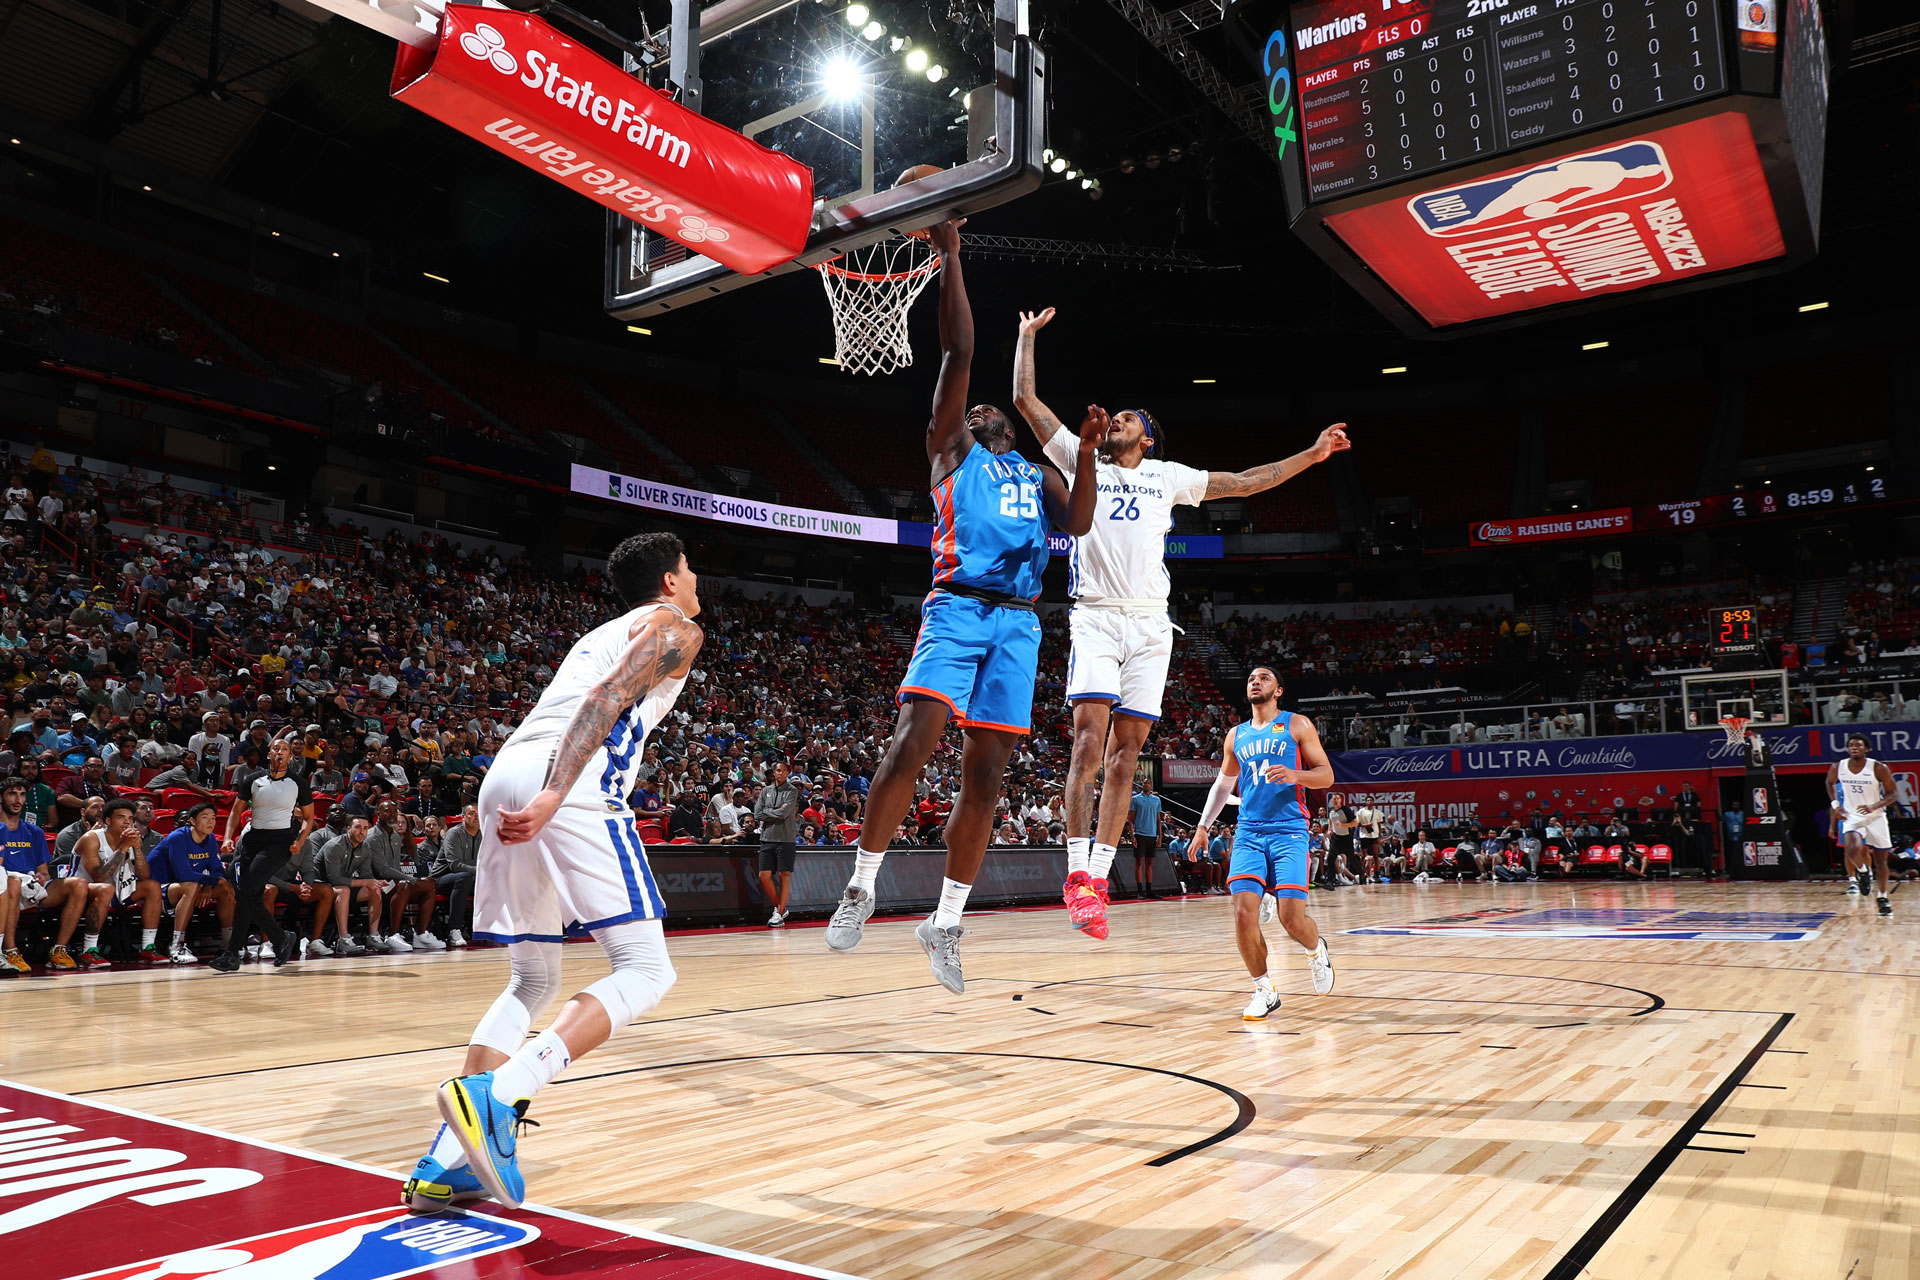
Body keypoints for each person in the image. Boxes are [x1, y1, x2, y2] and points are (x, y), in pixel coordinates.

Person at [820, 219, 1099, 994]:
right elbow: (957, 353)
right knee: (914, 740)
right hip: (957, 609)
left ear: (1005, 427)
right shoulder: (953, 453)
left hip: (1019, 623)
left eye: (985, 412)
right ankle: (861, 885)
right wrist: (950, 257)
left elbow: (1079, 525)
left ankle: (944, 923)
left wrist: (1089, 456)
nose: (976, 413)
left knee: (987, 779)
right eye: (969, 411)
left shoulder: (1039, 474)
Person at [1013, 305, 1350, 941]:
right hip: (1096, 617)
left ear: (1148, 438)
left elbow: (1246, 481)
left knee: (1126, 758)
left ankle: (1098, 883)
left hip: (1151, 627)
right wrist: (1027, 338)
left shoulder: (1167, 477)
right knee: (1087, 743)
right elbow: (1026, 401)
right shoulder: (1083, 459)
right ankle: (1075, 872)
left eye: (1129, 418)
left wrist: (1312, 454)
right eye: (1116, 416)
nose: (1117, 419)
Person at [409, 531, 704, 1216]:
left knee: (533, 978)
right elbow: (608, 696)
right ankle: (505, 1094)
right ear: (668, 581)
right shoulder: (676, 626)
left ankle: (448, 1163)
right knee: (646, 970)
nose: (697, 580)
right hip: (567, 780)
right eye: (690, 568)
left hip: (506, 773)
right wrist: (554, 793)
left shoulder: (601, 632)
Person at [1187, 668, 1336, 1021]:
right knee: (1242, 912)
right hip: (1249, 833)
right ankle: (1264, 990)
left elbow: (1326, 775)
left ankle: (1316, 949)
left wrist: (1296, 775)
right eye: (1252, 678)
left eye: (1265, 677)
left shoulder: (1297, 724)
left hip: (1289, 831)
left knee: (1291, 920)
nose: (1256, 681)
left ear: (1278, 690)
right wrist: (1203, 826)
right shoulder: (1235, 735)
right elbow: (1223, 786)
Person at [212, 738, 314, 971]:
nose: (280, 751)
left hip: (279, 844)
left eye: (285, 749)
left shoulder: (298, 783)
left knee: (246, 891)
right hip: (252, 841)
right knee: (249, 896)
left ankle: (233, 954)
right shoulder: (253, 779)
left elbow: (309, 818)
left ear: (290, 756)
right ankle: (280, 938)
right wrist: (227, 837)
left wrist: (300, 841)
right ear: (269, 754)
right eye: (276, 748)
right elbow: (235, 812)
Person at [73, 798, 167, 965]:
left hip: (115, 890)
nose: (127, 822)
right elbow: (99, 877)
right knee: (105, 888)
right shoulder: (92, 838)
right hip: (83, 892)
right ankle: (88, 950)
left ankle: (147, 947)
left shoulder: (130, 838)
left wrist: (136, 848)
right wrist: (123, 847)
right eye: (121, 817)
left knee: (152, 886)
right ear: (108, 821)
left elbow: (144, 876)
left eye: (130, 818)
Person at [145, 802, 233, 963]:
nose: (210, 822)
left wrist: (209, 885)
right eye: (205, 817)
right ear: (192, 821)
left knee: (225, 889)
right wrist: (216, 881)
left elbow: (217, 869)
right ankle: (176, 946)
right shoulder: (178, 838)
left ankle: (228, 945)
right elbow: (183, 874)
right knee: (193, 886)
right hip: (156, 890)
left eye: (213, 818)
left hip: (184, 887)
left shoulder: (210, 839)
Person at [1830, 732, 1897, 916]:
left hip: (1876, 816)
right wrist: (1836, 806)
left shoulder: (1878, 767)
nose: (1855, 748)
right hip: (1853, 815)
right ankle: (1862, 871)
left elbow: (1893, 794)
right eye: (1851, 745)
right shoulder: (1838, 766)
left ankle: (1882, 898)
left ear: (1866, 749)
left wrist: (1874, 806)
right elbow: (1829, 783)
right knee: (1851, 848)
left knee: (1881, 861)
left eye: (1859, 745)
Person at [755, 760, 800, 927]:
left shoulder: (792, 791)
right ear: (773, 773)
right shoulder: (765, 790)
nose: (780, 773)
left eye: (783, 770)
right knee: (764, 876)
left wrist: (768, 812)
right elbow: (757, 814)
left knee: (784, 875)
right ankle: (780, 908)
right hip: (767, 838)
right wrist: (774, 811)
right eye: (777, 770)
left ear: (787, 773)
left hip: (786, 839)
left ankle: (779, 913)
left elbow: (784, 813)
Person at [431, 804, 480, 947]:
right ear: (463, 817)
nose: (476, 817)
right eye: (472, 813)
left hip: (469, 879)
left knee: (497, 880)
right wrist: (481, 871)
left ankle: (492, 927)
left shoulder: (484, 835)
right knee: (463, 877)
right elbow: (455, 865)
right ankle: (454, 930)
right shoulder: (453, 834)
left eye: (479, 814)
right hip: (441, 879)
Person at [1127, 777, 1164, 900]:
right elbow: (1131, 820)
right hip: (1140, 834)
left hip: (1152, 835)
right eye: (1144, 783)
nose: (1146, 785)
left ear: (1151, 785)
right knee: (1139, 863)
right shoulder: (1135, 799)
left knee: (1149, 863)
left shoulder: (1156, 800)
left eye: (1148, 783)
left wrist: (1160, 836)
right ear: (1141, 785)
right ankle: (1140, 891)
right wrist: (1132, 836)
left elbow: (1158, 820)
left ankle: (1149, 891)